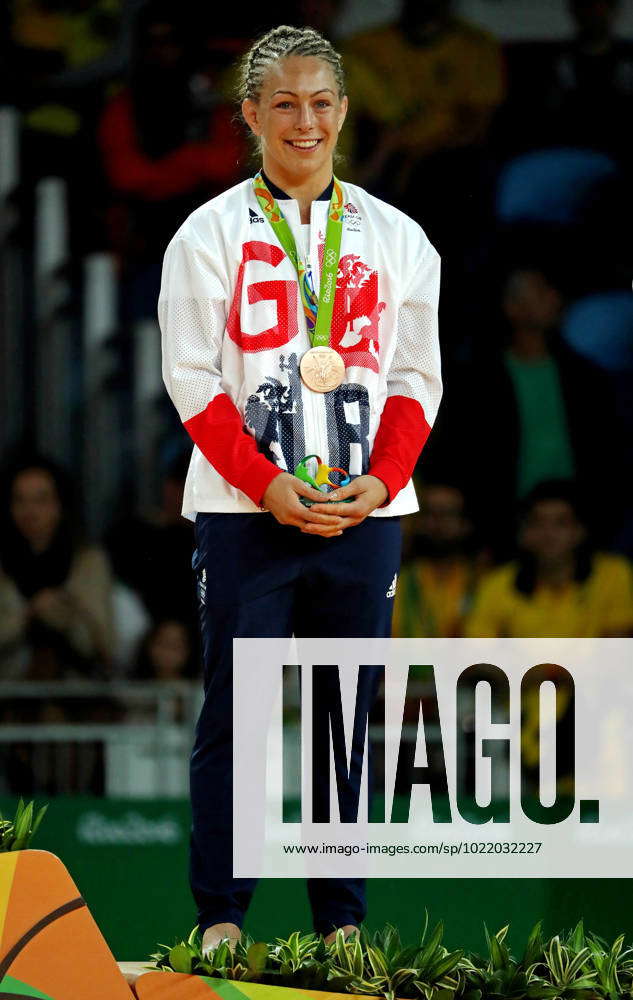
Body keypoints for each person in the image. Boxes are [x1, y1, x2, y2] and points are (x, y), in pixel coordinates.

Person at [158, 25, 441, 953]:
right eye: (283, 102)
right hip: (246, 512)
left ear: (345, 112)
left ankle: (339, 928)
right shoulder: (206, 235)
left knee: (342, 718)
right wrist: (268, 485)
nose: (304, 120)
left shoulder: (399, 238)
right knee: (236, 714)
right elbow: (192, 379)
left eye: (321, 101)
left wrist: (380, 480)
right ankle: (223, 918)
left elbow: (414, 378)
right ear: (249, 115)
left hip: (364, 511)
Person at [465, 479, 633, 638]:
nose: (548, 534)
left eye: (561, 523)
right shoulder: (497, 583)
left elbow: (617, 653)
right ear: (522, 534)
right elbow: (481, 657)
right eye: (537, 523)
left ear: (580, 531)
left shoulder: (613, 573)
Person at [0, 455, 114, 680]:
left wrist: (64, 613)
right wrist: (28, 615)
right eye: (20, 500)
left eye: (41, 500)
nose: (29, 511)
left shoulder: (88, 562)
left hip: (78, 695)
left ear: (60, 505)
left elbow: (105, 646)